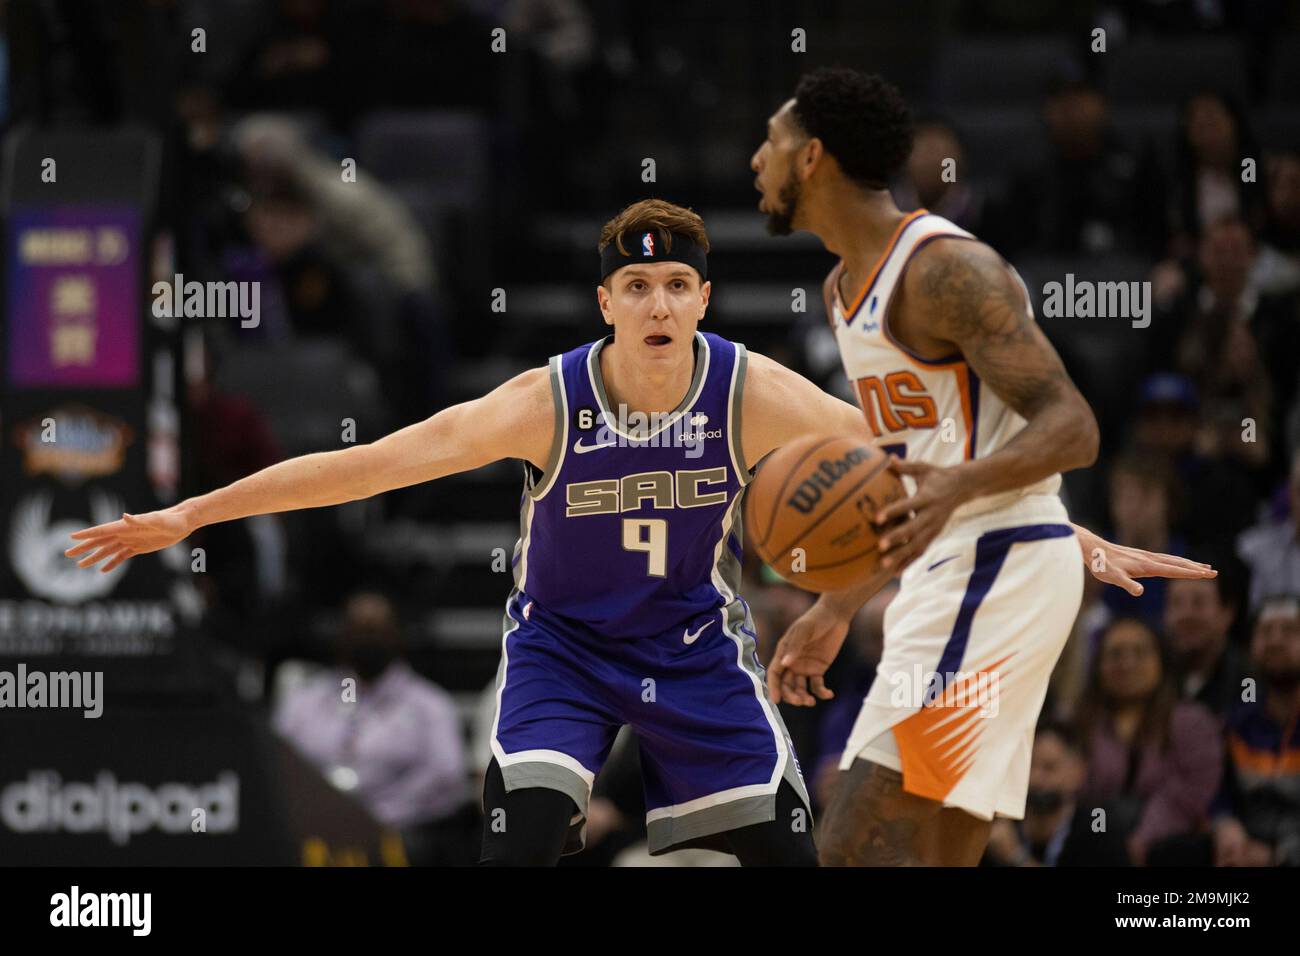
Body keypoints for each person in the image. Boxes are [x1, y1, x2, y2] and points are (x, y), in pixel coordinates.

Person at [67, 197, 1198, 868]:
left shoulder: (747, 390)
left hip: (694, 648)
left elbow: (930, 470)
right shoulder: (541, 401)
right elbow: (369, 462)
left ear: (703, 299)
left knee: (776, 857)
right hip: (560, 645)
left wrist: (1071, 540)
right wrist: (191, 511)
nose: (658, 304)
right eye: (636, 285)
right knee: (517, 840)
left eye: (676, 285)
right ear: (605, 302)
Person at [749, 66, 1216, 865]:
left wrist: (967, 489)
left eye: (770, 142)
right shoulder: (840, 291)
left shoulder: (943, 270)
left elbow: (1074, 426)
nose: (756, 161)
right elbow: (909, 479)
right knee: (942, 853)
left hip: (996, 567)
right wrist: (833, 609)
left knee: (854, 846)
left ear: (812, 157)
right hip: (958, 567)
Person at [273, 591, 471, 864]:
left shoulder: (430, 706)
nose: (367, 638)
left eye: (376, 630)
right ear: (343, 634)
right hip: (312, 834)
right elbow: (276, 767)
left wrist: (375, 816)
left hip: (397, 834)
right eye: (359, 629)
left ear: (396, 635)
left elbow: (448, 778)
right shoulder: (304, 702)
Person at [1075, 618, 1223, 865]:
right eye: (1115, 654)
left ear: (1161, 662)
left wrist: (1141, 841)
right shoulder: (1081, 724)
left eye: (1140, 653)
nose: (1127, 663)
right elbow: (1078, 794)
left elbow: (1188, 795)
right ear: (1098, 666)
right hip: (1095, 847)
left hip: (1168, 850)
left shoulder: (1193, 722)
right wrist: (1105, 844)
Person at [1213, 594, 1300, 866]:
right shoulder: (1238, 724)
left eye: (1289, 631)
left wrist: (1279, 856)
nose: (1275, 640)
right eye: (1265, 632)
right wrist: (1226, 826)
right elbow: (1220, 795)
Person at [983, 720, 1130, 867]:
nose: (1036, 778)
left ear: (1078, 772)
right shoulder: (1002, 826)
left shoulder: (1098, 825)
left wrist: (1017, 857)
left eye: (1049, 768)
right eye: (1029, 766)